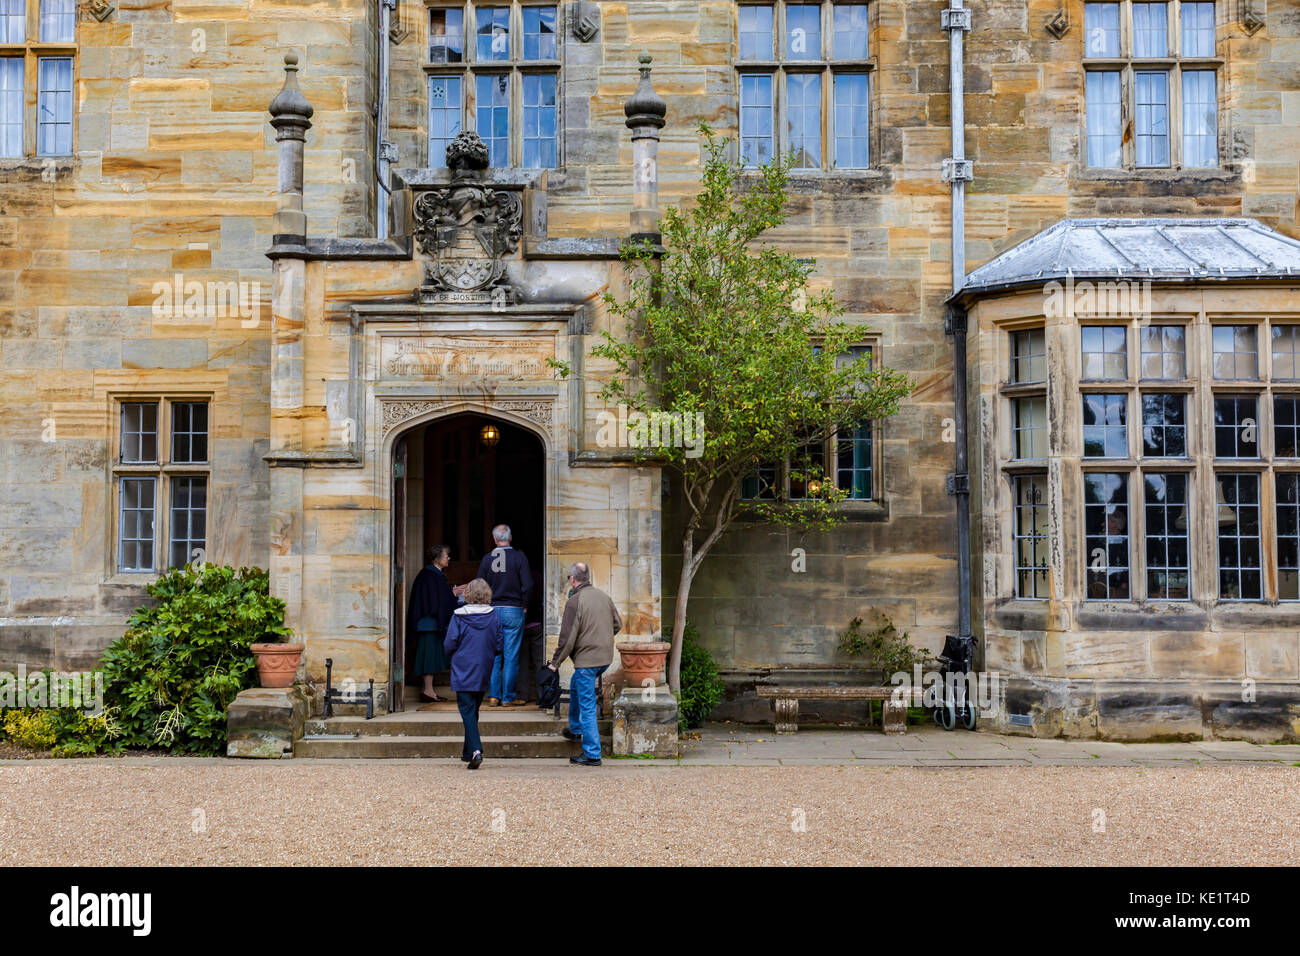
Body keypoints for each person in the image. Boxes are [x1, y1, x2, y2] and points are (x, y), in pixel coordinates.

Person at [547, 562, 621, 766]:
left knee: (587, 706)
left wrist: (555, 663)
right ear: (587, 577)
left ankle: (592, 753)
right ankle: (576, 729)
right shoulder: (604, 597)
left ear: (572, 579)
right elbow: (618, 624)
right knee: (576, 682)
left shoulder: (574, 601)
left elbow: (567, 638)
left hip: (588, 661)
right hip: (604, 658)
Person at [442, 578, 503, 770]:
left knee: (467, 709)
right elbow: (500, 642)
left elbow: (450, 642)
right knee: (473, 708)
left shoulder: (458, 616)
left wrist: (451, 656)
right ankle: (467, 752)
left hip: (463, 665)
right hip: (484, 665)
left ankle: (476, 750)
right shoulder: (493, 615)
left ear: (467, 594)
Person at [476, 524, 533, 707]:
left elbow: (479, 587)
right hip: (513, 610)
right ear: (511, 537)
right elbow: (528, 585)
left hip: (491, 610)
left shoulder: (486, 559)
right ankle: (508, 697)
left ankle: (493, 696)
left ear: (494, 539)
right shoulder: (519, 557)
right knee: (511, 656)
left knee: (494, 656)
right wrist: (524, 605)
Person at [407, 544, 456, 703]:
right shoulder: (431, 575)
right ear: (437, 558)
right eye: (445, 555)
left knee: (431, 656)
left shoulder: (430, 574)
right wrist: (453, 594)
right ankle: (428, 691)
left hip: (428, 624)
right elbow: (437, 602)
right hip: (429, 625)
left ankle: (428, 690)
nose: (448, 558)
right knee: (429, 657)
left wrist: (451, 594)